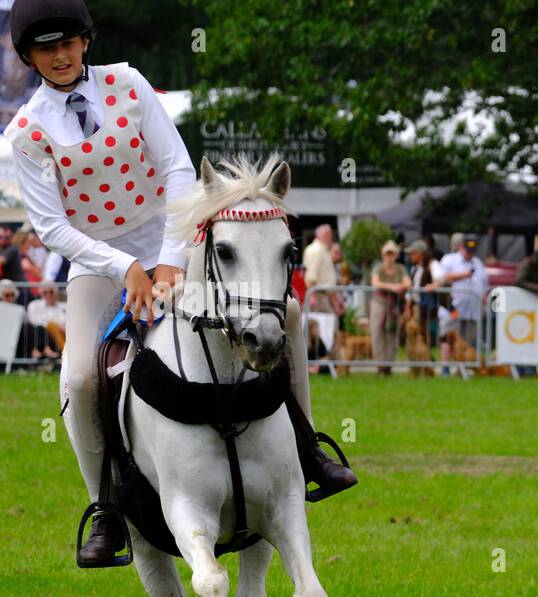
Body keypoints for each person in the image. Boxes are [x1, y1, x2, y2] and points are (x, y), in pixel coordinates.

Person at [3, 0, 354, 566]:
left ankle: (308, 446)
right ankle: (106, 509)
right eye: (46, 48)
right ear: (28, 56)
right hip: (98, 262)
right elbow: (50, 226)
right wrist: (126, 269)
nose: (60, 56)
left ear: (85, 43)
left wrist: (167, 259)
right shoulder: (26, 131)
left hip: (173, 243)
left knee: (283, 314)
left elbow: (177, 171)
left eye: (68, 43)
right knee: (80, 381)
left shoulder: (129, 84)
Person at [439, 232, 488, 350]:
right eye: (467, 250)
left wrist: (484, 298)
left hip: (472, 312)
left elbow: (484, 285)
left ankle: (463, 368)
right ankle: (446, 368)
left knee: (469, 342)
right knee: (449, 338)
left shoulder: (478, 263)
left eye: (472, 251)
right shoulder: (449, 259)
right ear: (461, 246)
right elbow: (442, 278)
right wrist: (464, 275)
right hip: (453, 309)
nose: (469, 254)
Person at [369, 239, 410, 375]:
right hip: (379, 303)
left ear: (396, 255)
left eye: (392, 254)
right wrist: (394, 287)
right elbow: (375, 283)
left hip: (394, 306)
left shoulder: (400, 268)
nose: (389, 256)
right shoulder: (378, 268)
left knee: (393, 333)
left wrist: (398, 288)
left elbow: (407, 283)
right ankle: (380, 364)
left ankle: (389, 364)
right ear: (383, 255)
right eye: (387, 254)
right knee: (377, 333)